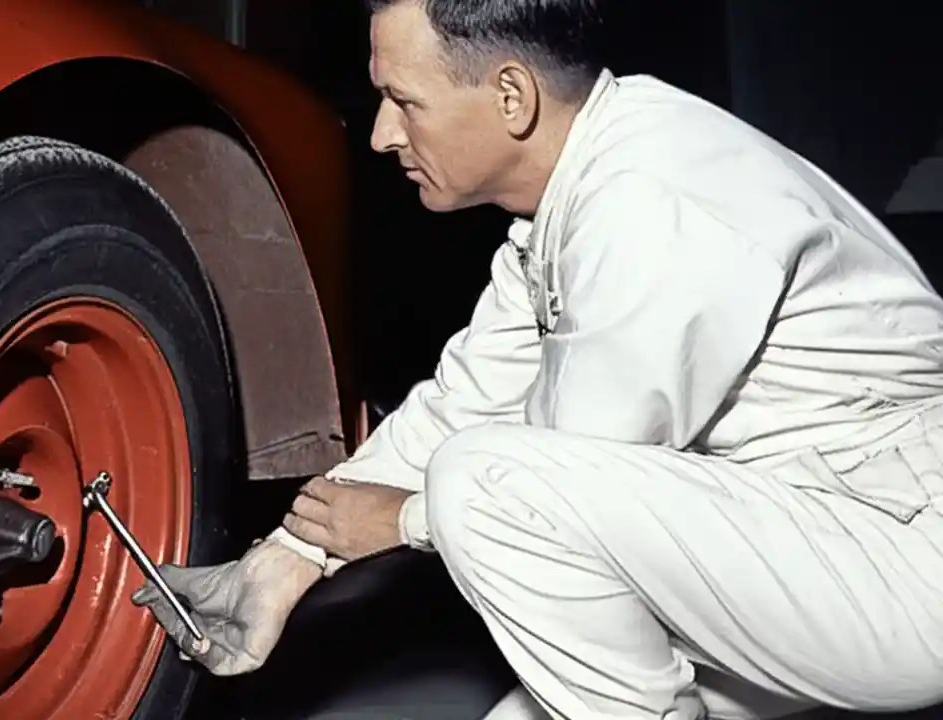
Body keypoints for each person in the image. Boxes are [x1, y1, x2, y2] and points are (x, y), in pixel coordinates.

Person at [130, 0, 943, 717]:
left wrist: (405, 521)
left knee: (479, 486)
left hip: (899, 559)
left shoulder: (652, 203)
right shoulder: (573, 197)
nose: (381, 134)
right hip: (795, 531)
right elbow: (463, 404)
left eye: (403, 100)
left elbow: (534, 489)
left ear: (511, 96)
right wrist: (282, 565)